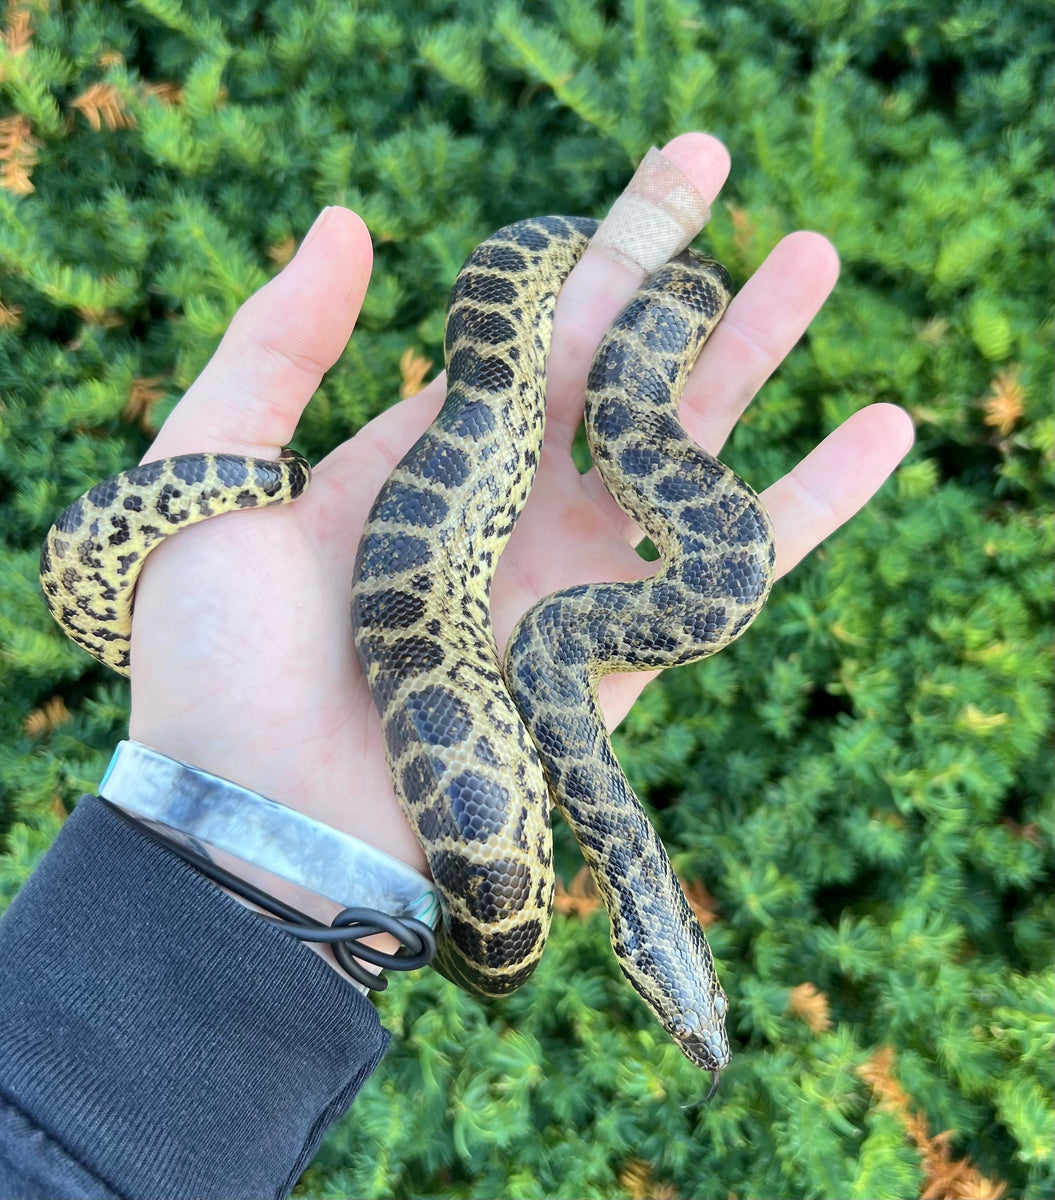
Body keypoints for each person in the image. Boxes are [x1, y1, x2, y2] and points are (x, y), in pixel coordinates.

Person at [0, 134, 914, 1199]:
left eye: (683, 1013)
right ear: (643, 944)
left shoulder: (558, 646)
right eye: (683, 1007)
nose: (685, 1022)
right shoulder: (552, 652)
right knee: (521, 408)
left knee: (549, 426)